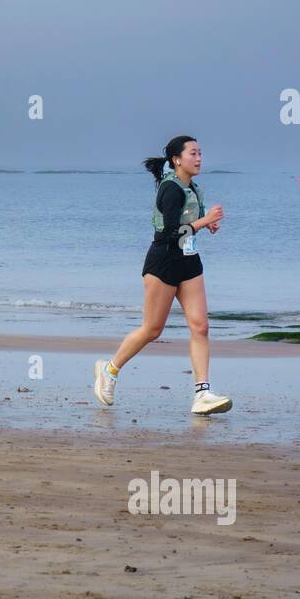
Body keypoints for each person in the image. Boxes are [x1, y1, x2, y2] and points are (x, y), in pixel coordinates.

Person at [93, 135, 232, 415]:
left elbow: (188, 223)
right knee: (152, 329)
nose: (199, 158)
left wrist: (207, 225)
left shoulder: (191, 187)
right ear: (177, 160)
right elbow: (169, 235)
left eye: (201, 153)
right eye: (193, 153)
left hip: (189, 262)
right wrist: (204, 222)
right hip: (164, 262)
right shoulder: (170, 189)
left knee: (200, 326)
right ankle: (109, 370)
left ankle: (202, 393)